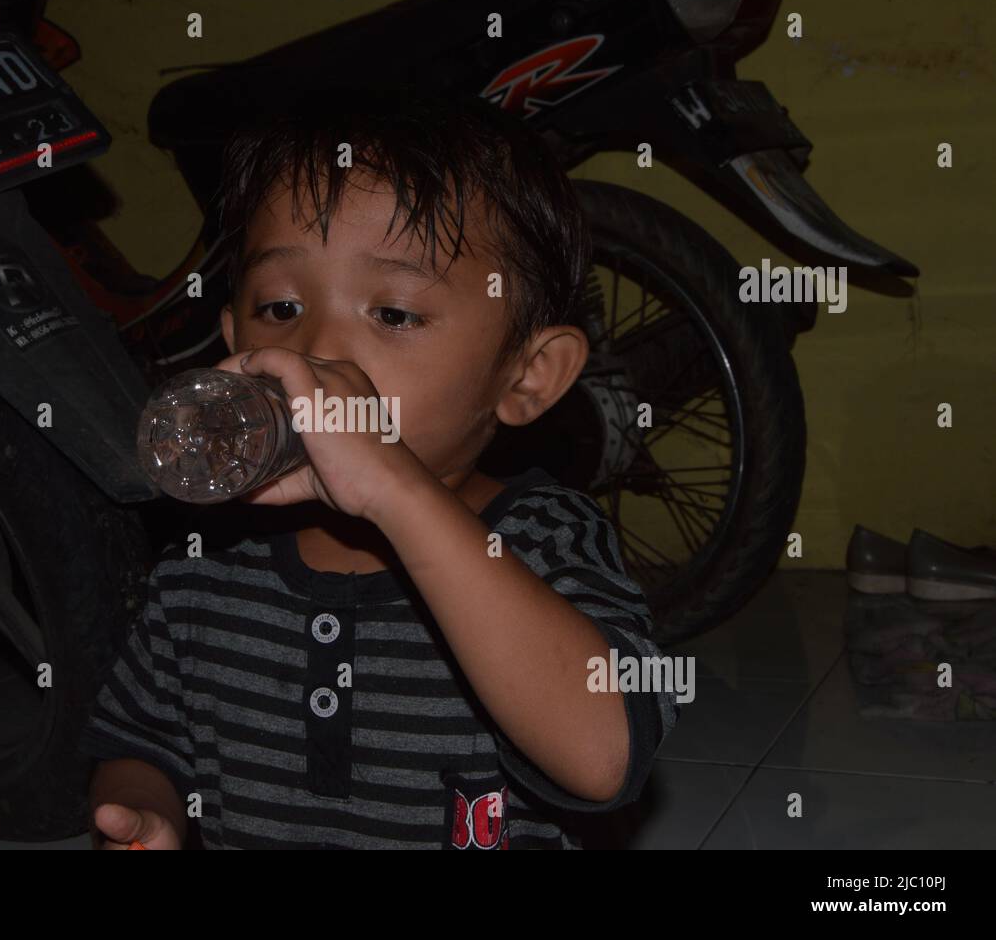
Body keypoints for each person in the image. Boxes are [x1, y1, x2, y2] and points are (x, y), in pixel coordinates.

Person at [81, 86, 679, 849]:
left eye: (394, 313)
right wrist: (145, 817)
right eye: (280, 308)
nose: (318, 352)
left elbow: (604, 758)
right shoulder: (205, 563)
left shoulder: (546, 540)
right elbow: (140, 741)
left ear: (526, 376)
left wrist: (395, 490)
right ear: (232, 340)